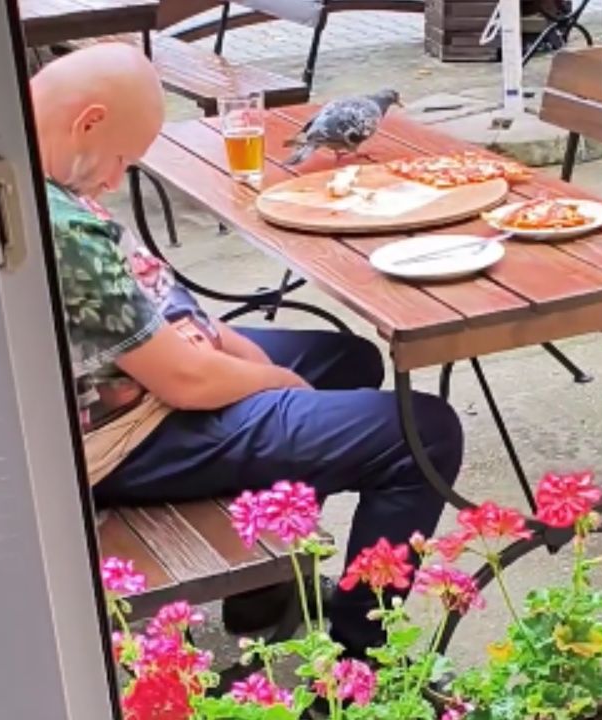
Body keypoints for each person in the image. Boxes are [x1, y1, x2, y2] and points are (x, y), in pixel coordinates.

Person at [30, 43, 464, 657]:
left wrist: (238, 354)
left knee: (352, 361)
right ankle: (360, 658)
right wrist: (274, 380)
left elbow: (166, 301)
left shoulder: (36, 166)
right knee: (424, 434)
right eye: (123, 159)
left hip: (138, 378)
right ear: (89, 122)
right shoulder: (61, 227)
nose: (115, 180)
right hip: (126, 437)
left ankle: (263, 593)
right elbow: (186, 382)